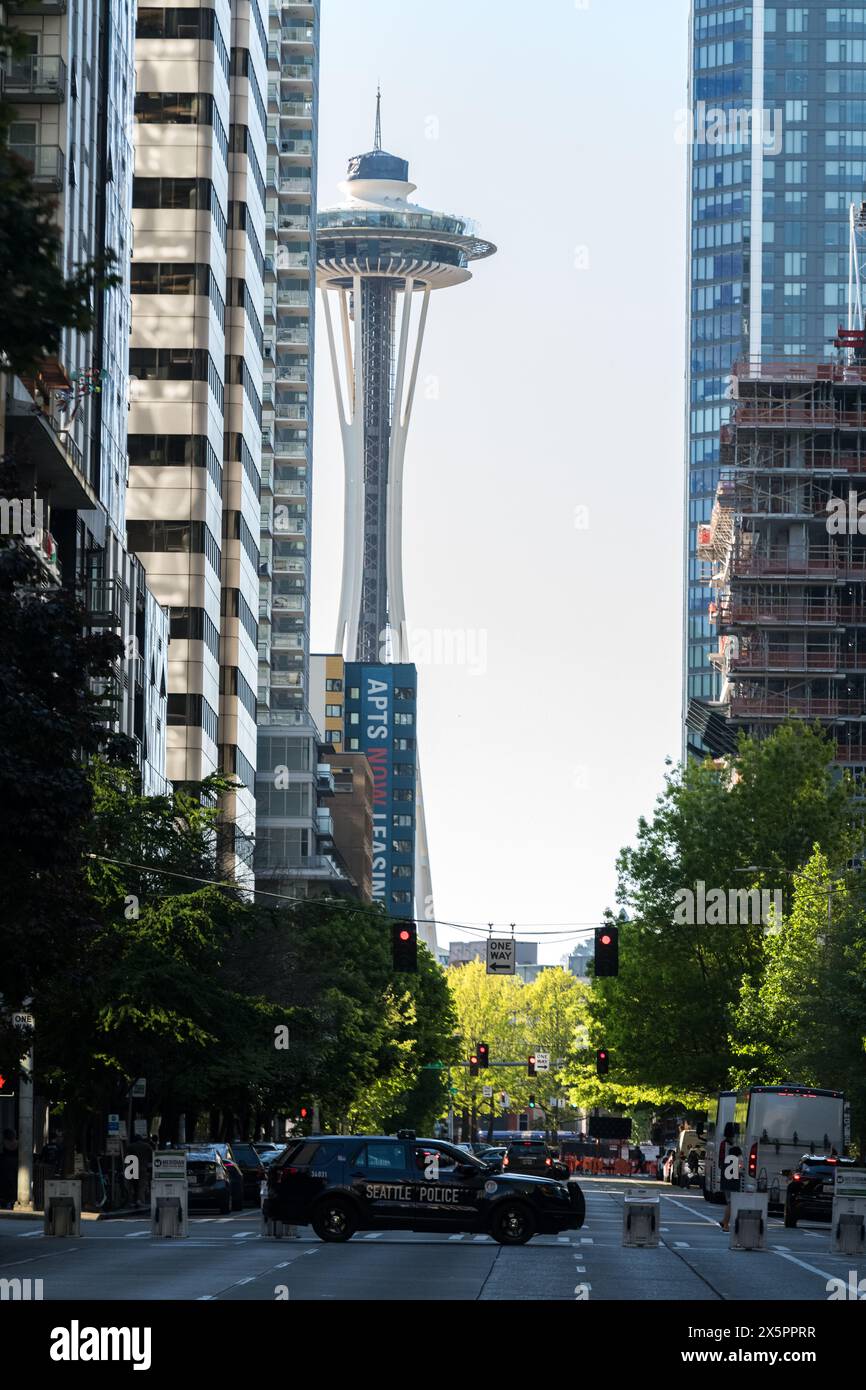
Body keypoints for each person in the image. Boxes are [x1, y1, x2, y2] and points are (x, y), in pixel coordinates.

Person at [719, 1123, 742, 1232]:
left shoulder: (723, 1144)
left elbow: (720, 1161)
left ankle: (724, 1221)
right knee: (731, 1201)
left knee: (729, 1200)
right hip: (734, 1174)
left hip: (725, 1173)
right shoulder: (737, 1145)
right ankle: (725, 1224)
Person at [0, 1129, 19, 1209]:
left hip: (4, 1164)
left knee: (5, 1183)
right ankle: (12, 1200)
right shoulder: (18, 1143)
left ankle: (5, 1200)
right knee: (14, 1183)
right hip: (15, 1164)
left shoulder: (3, 1143)